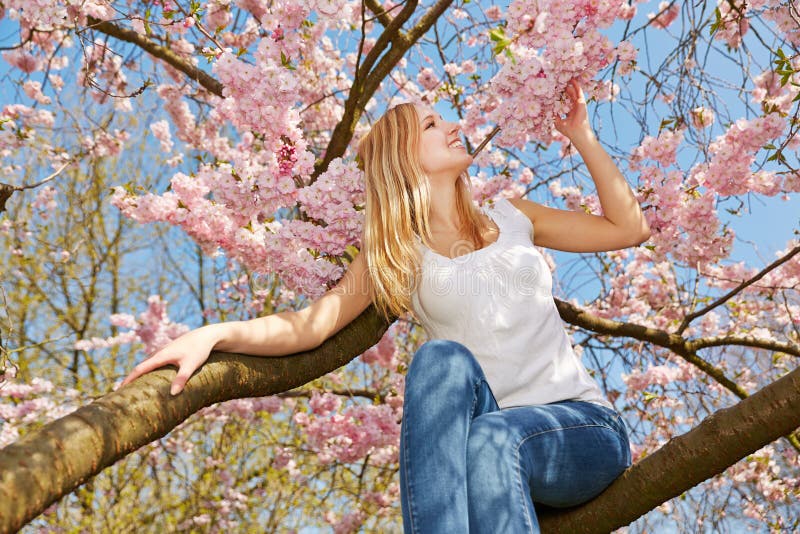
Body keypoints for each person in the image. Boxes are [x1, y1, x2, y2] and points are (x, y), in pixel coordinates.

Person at [122, 79, 650, 533]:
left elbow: (629, 228)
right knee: (440, 362)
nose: (451, 127)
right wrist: (213, 335)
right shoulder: (397, 255)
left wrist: (581, 134)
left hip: (581, 429)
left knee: (492, 437)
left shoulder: (514, 217)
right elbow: (312, 325)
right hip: (490, 454)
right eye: (431, 125)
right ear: (402, 155)